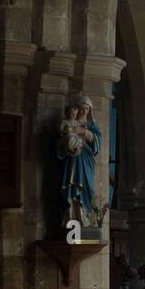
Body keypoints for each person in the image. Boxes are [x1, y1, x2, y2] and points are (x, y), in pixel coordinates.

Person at [56, 94, 102, 230]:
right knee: (71, 186)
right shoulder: (68, 123)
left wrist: (85, 133)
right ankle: (70, 219)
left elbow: (97, 144)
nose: (84, 111)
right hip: (71, 161)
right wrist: (65, 143)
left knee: (87, 188)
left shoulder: (92, 126)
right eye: (82, 108)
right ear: (76, 110)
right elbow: (59, 143)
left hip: (86, 162)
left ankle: (85, 218)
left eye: (87, 109)